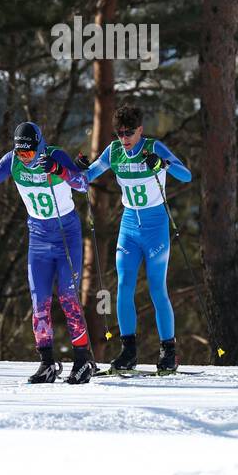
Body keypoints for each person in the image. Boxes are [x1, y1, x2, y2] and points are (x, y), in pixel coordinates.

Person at [0, 121, 97, 383]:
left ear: (40, 146)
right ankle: (47, 362)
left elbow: (83, 185)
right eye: (21, 153)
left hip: (65, 234)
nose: (25, 158)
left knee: (68, 296)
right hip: (38, 236)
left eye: (29, 153)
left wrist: (58, 169)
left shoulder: (55, 155)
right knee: (39, 301)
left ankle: (83, 360)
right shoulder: (11, 160)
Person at [77, 103, 191, 375]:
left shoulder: (153, 148)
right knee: (124, 287)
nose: (124, 138)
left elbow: (186, 175)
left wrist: (163, 163)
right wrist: (77, 168)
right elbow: (86, 177)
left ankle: (168, 352)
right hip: (129, 226)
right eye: (119, 133)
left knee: (156, 289)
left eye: (129, 132)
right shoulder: (114, 151)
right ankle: (128, 352)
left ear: (140, 130)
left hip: (155, 228)